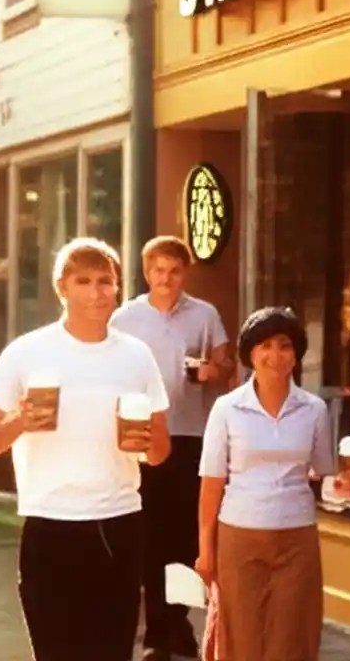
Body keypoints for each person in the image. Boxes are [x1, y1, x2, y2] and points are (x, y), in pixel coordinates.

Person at [0, 238, 171, 661]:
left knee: (113, 652)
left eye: (106, 282)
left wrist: (144, 442)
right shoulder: (27, 352)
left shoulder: (136, 356)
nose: (97, 292)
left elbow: (161, 451)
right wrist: (20, 420)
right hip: (51, 524)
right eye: (84, 282)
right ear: (61, 288)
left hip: (119, 523)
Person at [196, 307, 350, 661]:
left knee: (290, 638)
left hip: (297, 539)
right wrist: (206, 550)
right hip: (239, 536)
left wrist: (342, 485)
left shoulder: (314, 410)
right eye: (265, 345)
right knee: (241, 639)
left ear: (296, 355)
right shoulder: (227, 409)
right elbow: (211, 485)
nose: (275, 355)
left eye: (285, 346)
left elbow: (322, 477)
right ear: (251, 353)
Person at [109, 235, 232, 660]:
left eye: (174, 270)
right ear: (147, 273)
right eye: (158, 270)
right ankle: (155, 631)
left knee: (183, 536)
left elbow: (227, 367)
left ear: (185, 273)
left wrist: (214, 370)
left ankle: (175, 623)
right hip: (142, 437)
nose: (166, 278)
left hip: (191, 435)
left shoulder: (204, 314)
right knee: (148, 535)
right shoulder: (124, 318)